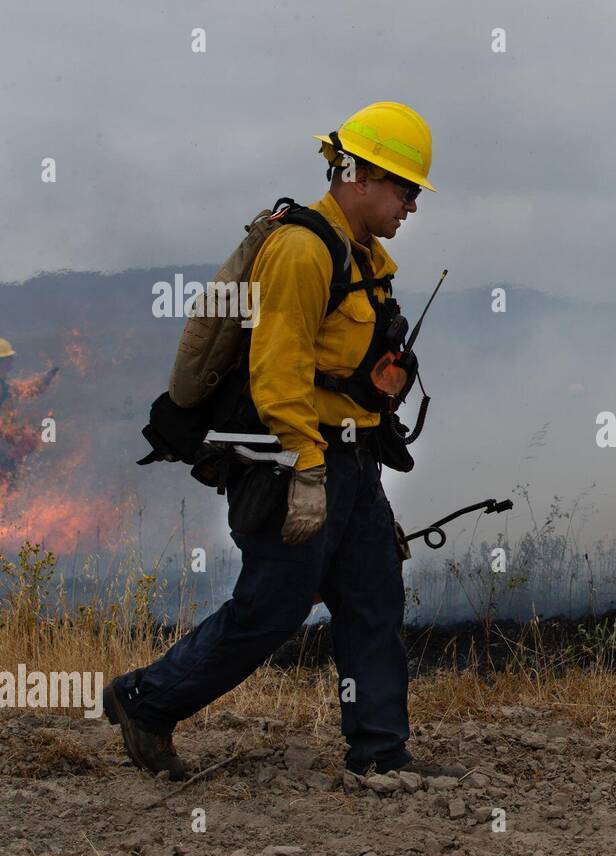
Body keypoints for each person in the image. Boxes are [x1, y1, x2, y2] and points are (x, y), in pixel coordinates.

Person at [104, 102, 460, 781]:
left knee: (373, 600)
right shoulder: (301, 251)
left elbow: (329, 363)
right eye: (405, 188)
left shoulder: (364, 259)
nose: (412, 205)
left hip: (353, 460)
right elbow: (277, 373)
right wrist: (306, 468)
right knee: (272, 609)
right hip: (295, 463)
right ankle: (144, 700)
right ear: (358, 175)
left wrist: (378, 385)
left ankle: (380, 755)